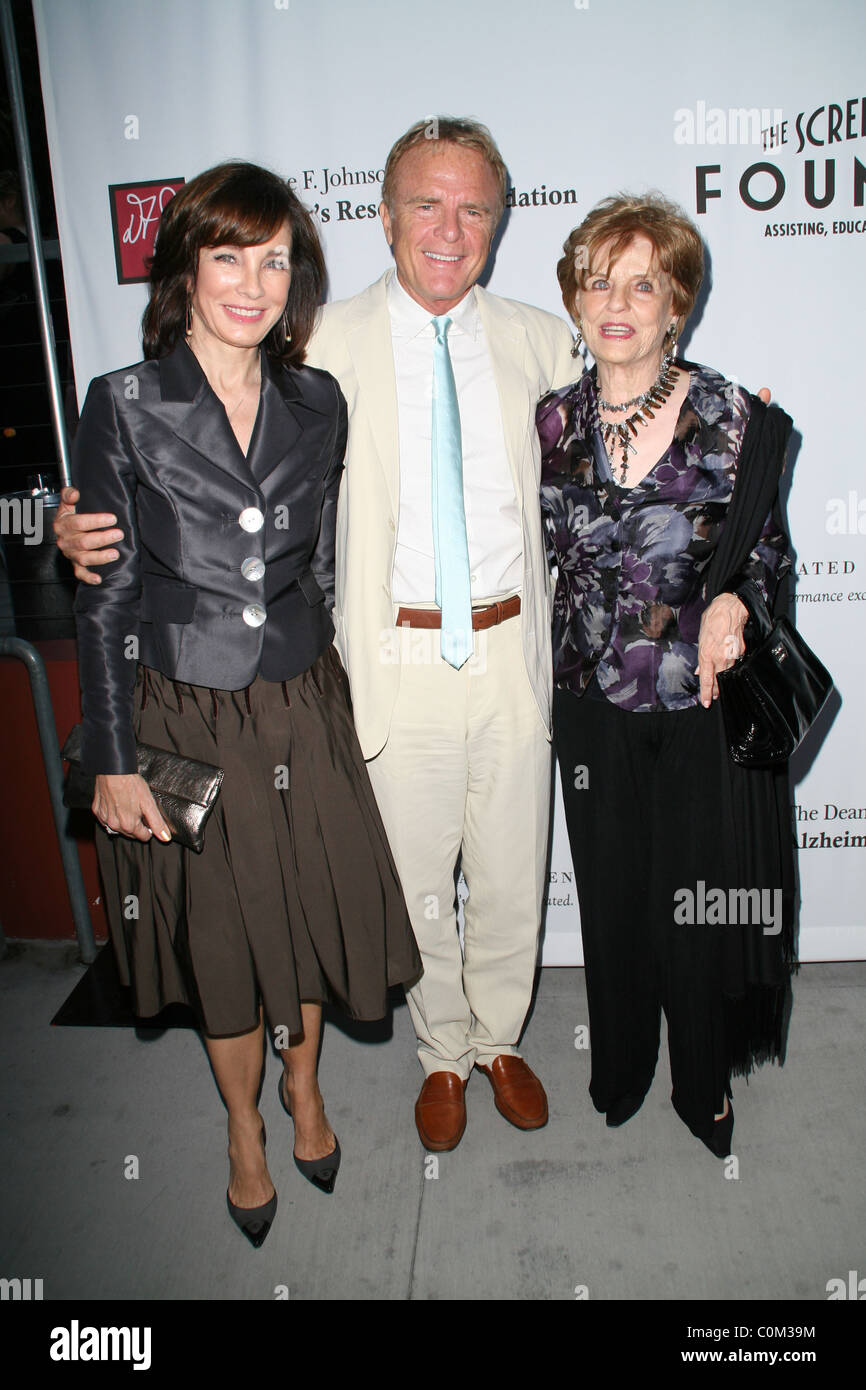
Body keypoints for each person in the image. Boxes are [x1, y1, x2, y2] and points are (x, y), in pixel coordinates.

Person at [56, 117, 577, 1154]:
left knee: (515, 869)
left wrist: (721, 428)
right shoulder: (316, 343)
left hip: (511, 650)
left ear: (497, 223)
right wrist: (79, 528)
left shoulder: (541, 339)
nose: (447, 227)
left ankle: (500, 1039)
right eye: (424, 203)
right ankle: (439, 1053)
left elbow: (629, 416)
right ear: (382, 217)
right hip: (384, 661)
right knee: (415, 873)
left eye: (472, 207)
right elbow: (190, 451)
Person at [68, 161, 420, 1246]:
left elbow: (308, 565)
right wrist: (114, 758)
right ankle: (241, 1127)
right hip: (181, 713)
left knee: (306, 914)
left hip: (300, 703)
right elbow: (106, 592)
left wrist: (334, 686)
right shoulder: (123, 403)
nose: (252, 281)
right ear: (184, 266)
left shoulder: (318, 400)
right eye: (228, 254)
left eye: (275, 260)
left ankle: (304, 1091)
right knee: (222, 938)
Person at [537, 192, 796, 1156]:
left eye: (642, 283)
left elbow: (765, 549)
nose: (618, 301)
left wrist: (736, 603)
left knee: (694, 895)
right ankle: (621, 1067)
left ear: (675, 302)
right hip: (587, 695)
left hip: (699, 693)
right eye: (598, 280)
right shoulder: (550, 422)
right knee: (611, 891)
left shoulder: (731, 415)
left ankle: (701, 1079)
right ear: (574, 299)